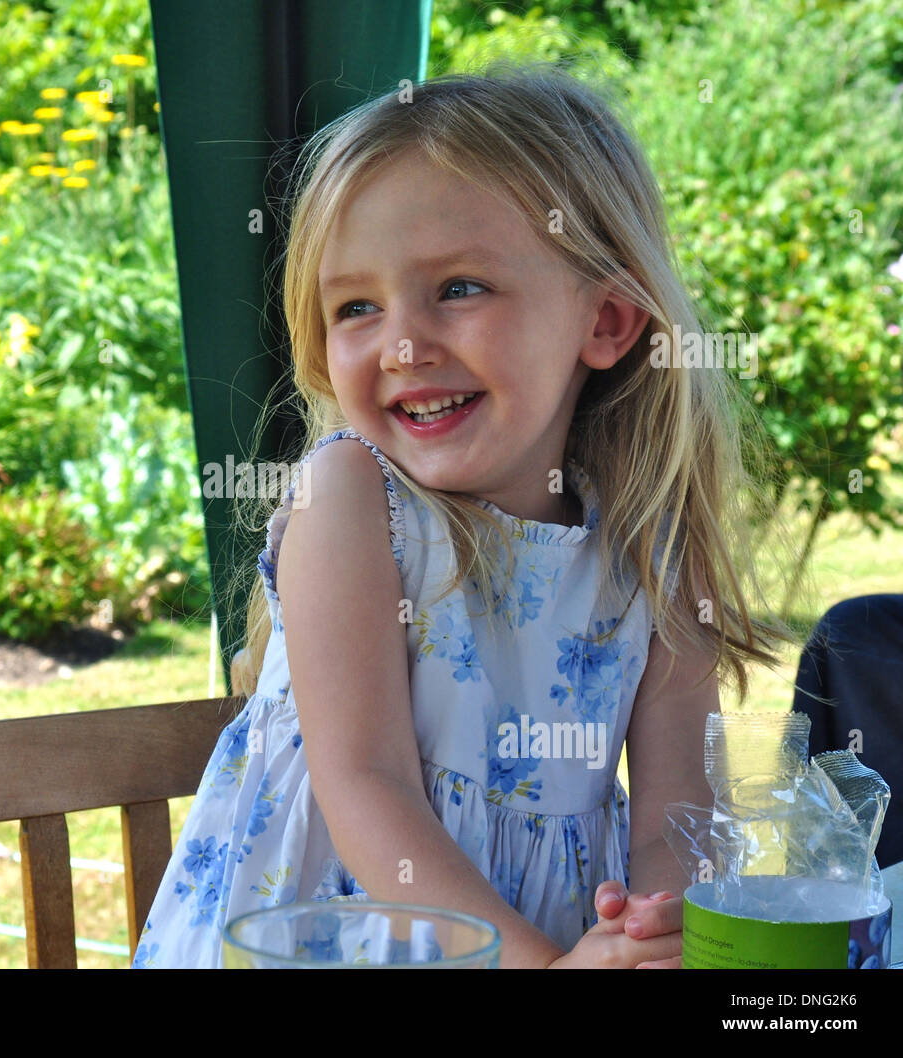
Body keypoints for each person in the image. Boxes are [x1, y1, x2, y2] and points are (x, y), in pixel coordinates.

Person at [132, 65, 792, 969]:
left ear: (606, 318)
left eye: (458, 289)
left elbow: (683, 814)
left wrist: (659, 933)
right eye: (356, 307)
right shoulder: (352, 503)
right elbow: (369, 792)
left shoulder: (650, 546)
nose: (404, 346)